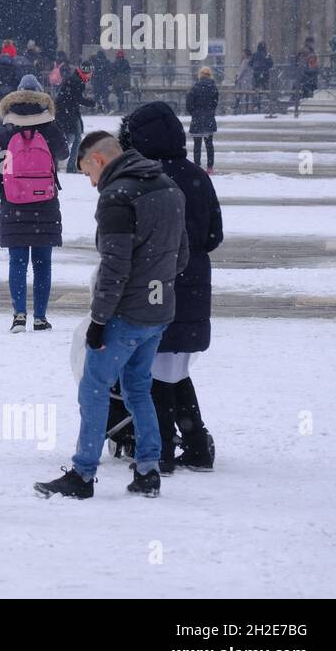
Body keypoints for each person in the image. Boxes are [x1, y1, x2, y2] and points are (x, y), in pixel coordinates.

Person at [34, 131, 188, 500]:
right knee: (138, 388)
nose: (90, 182)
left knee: (94, 387)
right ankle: (148, 470)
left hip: (126, 314)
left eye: (87, 172)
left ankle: (83, 475)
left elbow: (114, 267)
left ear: (98, 161)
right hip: (160, 310)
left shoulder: (118, 196)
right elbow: (181, 256)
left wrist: (99, 321)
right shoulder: (169, 187)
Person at [117, 102, 222, 473]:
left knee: (155, 372)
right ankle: (196, 447)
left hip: (155, 284)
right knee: (175, 370)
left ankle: (159, 450)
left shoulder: (144, 179)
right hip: (194, 286)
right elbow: (213, 236)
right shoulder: (197, 176)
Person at [0, 75, 69, 332]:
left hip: (14, 205)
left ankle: (19, 315)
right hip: (45, 202)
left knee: (17, 261)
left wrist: (8, 194)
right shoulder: (49, 125)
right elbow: (65, 153)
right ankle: (40, 317)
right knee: (43, 262)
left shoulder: (5, 128)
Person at [54, 61, 93, 173]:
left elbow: (70, 97)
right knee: (71, 138)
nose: (90, 76)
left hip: (65, 112)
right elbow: (76, 98)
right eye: (89, 73)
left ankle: (58, 162)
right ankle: (67, 165)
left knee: (71, 138)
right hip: (67, 113)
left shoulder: (74, 78)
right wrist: (91, 102)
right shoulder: (77, 82)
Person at [186, 66, 219, 172]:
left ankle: (197, 166)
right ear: (210, 75)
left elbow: (189, 104)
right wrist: (209, 112)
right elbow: (215, 103)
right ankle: (210, 167)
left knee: (197, 145)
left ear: (200, 75)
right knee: (209, 144)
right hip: (208, 118)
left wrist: (194, 113)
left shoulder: (194, 88)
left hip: (197, 118)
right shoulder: (213, 88)